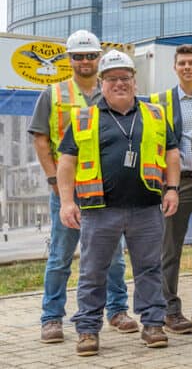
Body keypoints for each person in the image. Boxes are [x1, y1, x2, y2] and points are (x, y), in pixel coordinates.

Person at [56, 50, 181, 356]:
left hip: (147, 208)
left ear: (134, 81)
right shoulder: (85, 117)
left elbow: (172, 153)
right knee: (92, 271)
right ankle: (87, 330)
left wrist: (173, 188)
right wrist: (66, 202)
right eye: (112, 79)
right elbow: (67, 161)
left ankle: (152, 325)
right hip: (100, 210)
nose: (119, 83)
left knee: (150, 269)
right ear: (101, 83)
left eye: (125, 78)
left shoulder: (154, 113)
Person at [29, 30, 136, 344]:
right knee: (61, 256)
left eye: (90, 55)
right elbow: (40, 138)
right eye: (79, 56)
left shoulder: (112, 93)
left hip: (106, 191)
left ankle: (117, 311)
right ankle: (51, 319)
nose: (85, 61)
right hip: (70, 190)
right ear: (69, 59)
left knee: (114, 257)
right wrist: (54, 181)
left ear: (99, 58)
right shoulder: (54, 94)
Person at [149, 44, 192, 334]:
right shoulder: (159, 102)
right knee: (170, 249)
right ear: (175, 68)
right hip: (178, 184)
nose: (187, 67)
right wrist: (164, 185)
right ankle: (170, 310)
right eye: (182, 63)